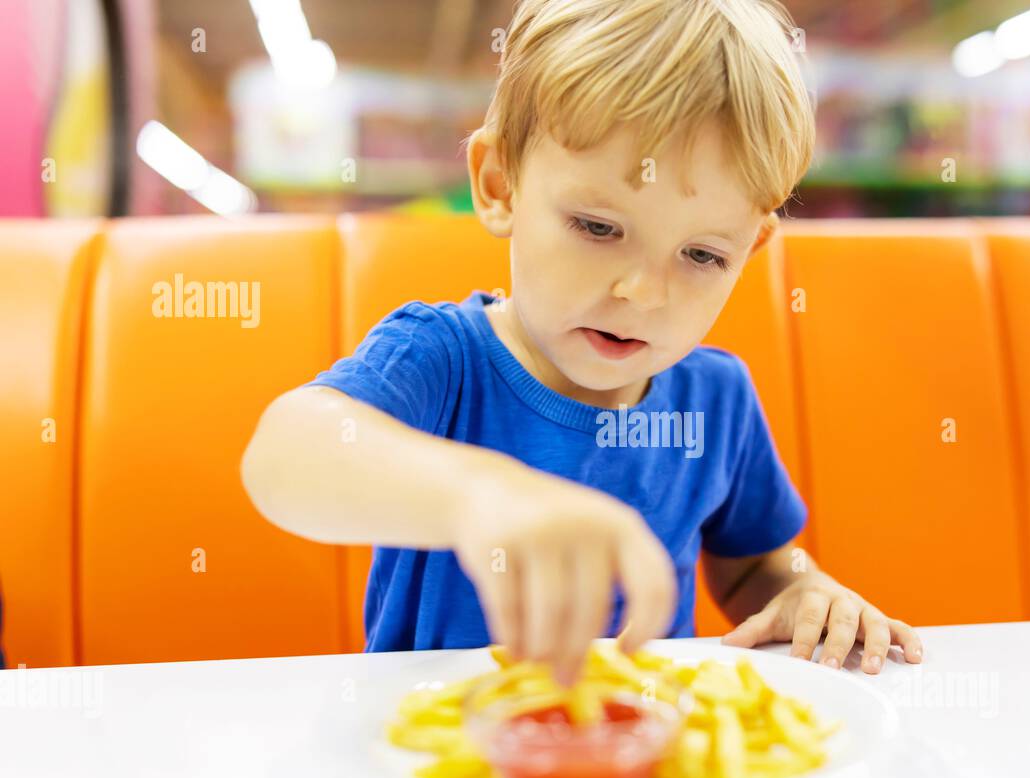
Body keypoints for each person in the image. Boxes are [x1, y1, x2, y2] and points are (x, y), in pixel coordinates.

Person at [241, 0, 922, 685]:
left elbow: (752, 566)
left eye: (703, 256)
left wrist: (802, 593)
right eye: (599, 228)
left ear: (751, 249)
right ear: (500, 184)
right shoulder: (441, 359)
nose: (644, 293)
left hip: (635, 767)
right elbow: (284, 456)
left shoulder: (717, 401)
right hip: (436, 756)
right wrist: (483, 496)